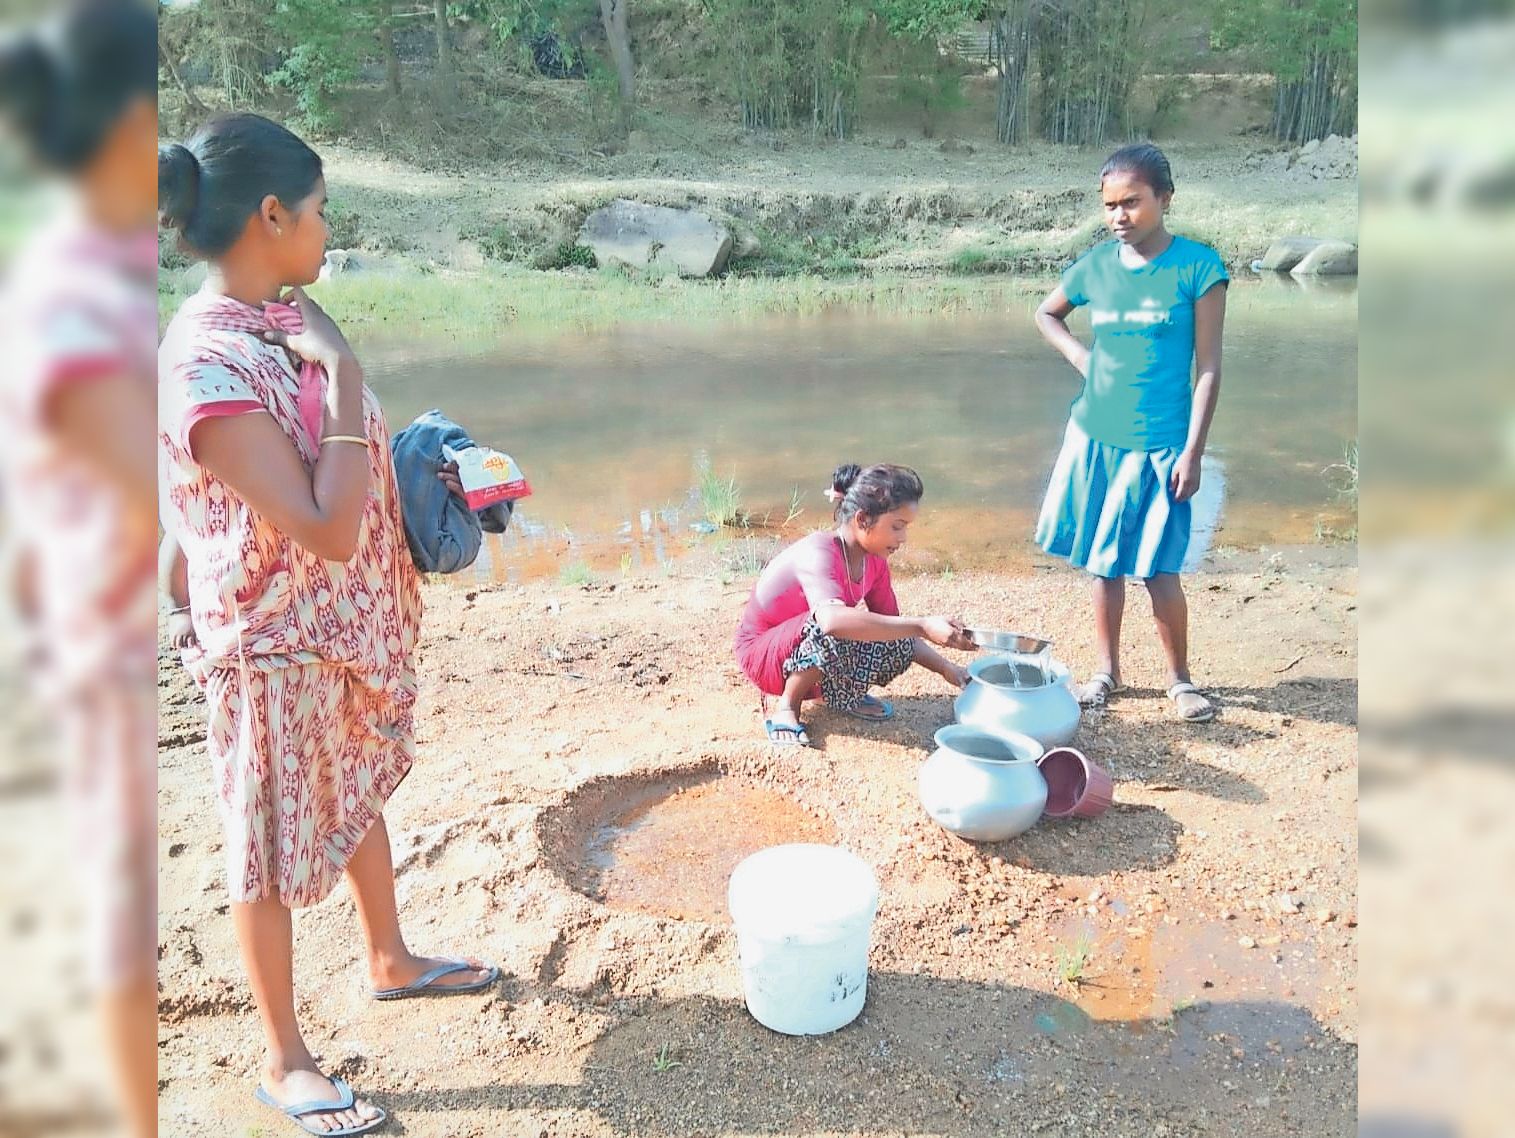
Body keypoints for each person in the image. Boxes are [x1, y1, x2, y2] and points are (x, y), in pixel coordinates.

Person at [157, 112, 495, 1136]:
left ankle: (389, 957)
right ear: (269, 214)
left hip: (336, 629)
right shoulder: (209, 369)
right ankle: (284, 1057)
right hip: (273, 641)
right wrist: (344, 368)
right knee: (262, 845)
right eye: (317, 212)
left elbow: (330, 480)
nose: (323, 228)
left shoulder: (280, 314)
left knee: (350, 784)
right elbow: (323, 524)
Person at [0, 5, 159, 1136]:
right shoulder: (73, 291)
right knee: (120, 896)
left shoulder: (102, 265)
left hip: (93, 622)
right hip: (99, 644)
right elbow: (147, 495)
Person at [1031, 143, 1228, 723]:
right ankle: (1107, 673)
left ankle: (1180, 681)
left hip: (1163, 442)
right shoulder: (1095, 266)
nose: (1120, 216)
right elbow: (1047, 314)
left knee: (1160, 568)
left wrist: (1193, 452)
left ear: (1164, 199)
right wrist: (1081, 359)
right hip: (1096, 436)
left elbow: (1209, 367)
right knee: (1103, 562)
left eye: (1133, 203)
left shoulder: (1198, 268)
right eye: (1111, 206)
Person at [734, 462, 975, 746]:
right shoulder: (818, 551)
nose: (903, 538)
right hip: (764, 656)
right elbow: (831, 622)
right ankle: (788, 705)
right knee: (833, 622)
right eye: (897, 527)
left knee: (891, 635)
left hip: (800, 652)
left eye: (906, 528)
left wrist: (949, 670)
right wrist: (922, 625)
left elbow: (900, 633)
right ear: (862, 519)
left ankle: (841, 696)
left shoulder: (875, 562)